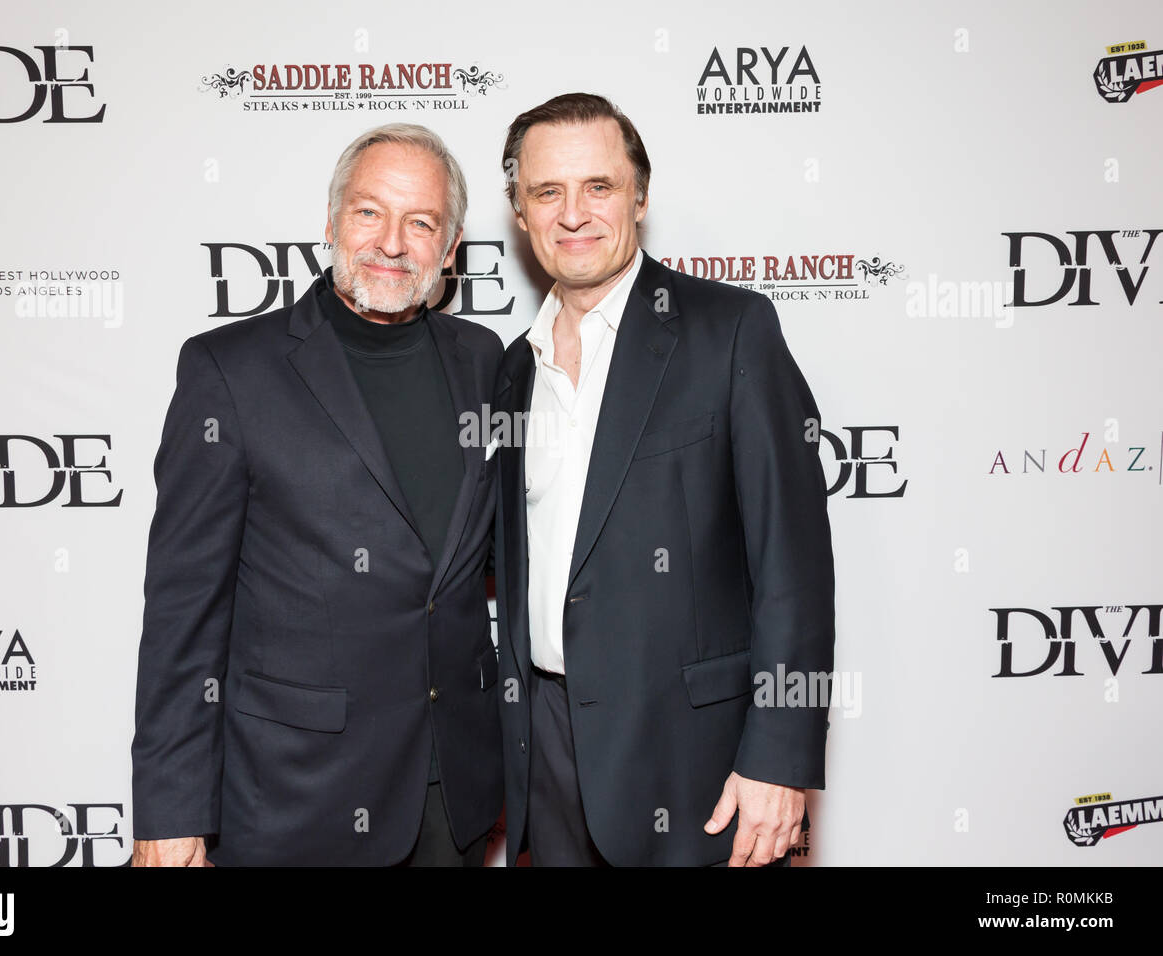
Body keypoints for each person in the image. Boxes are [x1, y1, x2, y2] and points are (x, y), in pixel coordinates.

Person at [131, 123, 503, 866]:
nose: (391, 242)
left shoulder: (484, 362)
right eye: (369, 212)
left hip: (450, 801)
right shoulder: (231, 373)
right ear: (331, 222)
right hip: (295, 802)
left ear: (451, 247)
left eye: (421, 222)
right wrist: (170, 815)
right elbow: (184, 612)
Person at [491, 93, 836, 866]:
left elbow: (795, 566)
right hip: (546, 759)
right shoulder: (513, 370)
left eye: (599, 187)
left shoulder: (729, 331)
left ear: (640, 198)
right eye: (547, 192)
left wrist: (779, 759)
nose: (573, 213)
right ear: (521, 212)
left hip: (698, 765)